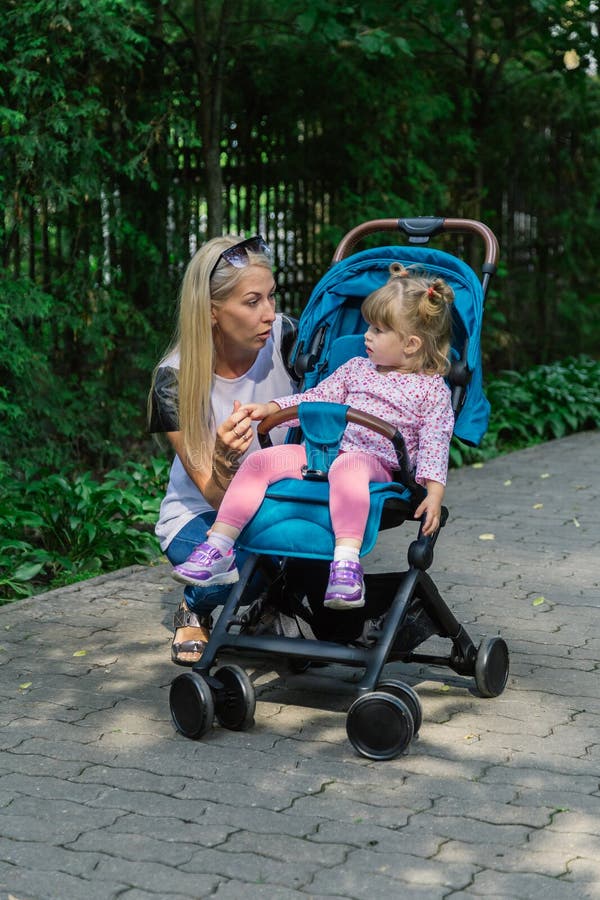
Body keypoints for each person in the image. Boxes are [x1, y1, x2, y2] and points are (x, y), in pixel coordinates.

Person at [171, 262, 456, 611]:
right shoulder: (356, 369)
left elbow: (435, 442)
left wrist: (434, 492)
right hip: (324, 452)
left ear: (411, 344)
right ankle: (218, 547)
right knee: (262, 461)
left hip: (375, 466)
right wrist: (272, 407)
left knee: (348, 466)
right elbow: (316, 397)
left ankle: (346, 565)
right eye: (369, 326)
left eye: (378, 330)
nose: (366, 335)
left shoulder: (431, 391)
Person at [149, 234, 298, 665]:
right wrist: (223, 461)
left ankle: (271, 601)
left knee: (308, 560)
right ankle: (194, 605)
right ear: (213, 311)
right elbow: (214, 494)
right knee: (245, 571)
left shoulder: (286, 338)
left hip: (278, 507)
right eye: (252, 302)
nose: (269, 313)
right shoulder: (173, 379)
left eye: (271, 297)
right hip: (202, 516)